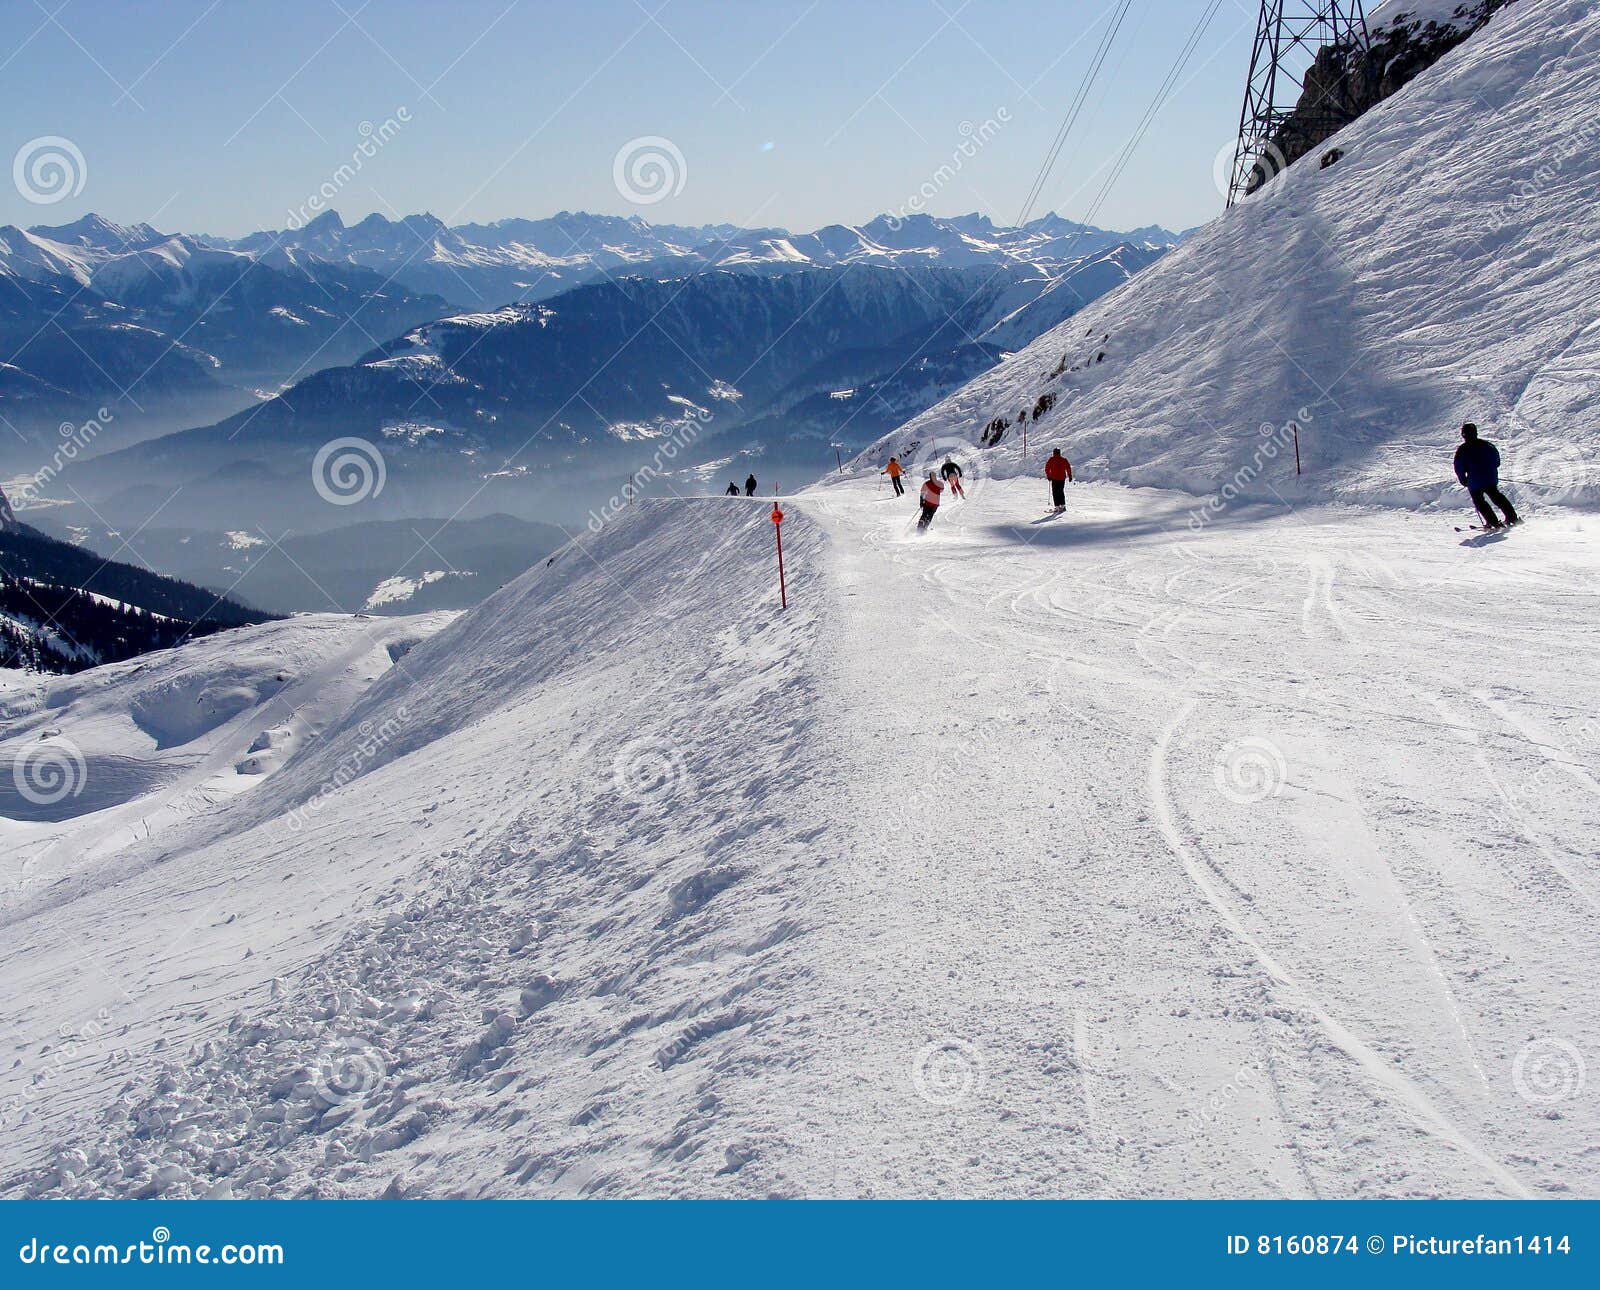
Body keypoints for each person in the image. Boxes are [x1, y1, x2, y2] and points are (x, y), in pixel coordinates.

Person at [1453, 423, 1519, 529]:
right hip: (1490, 478)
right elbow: (1497, 462)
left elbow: (1458, 467)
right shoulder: (1487, 445)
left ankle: (1493, 522)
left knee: (1480, 502)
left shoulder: (1462, 450)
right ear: (1476, 433)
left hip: (1474, 481)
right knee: (1497, 497)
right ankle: (1512, 518)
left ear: (1463, 435)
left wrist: (1463, 480)